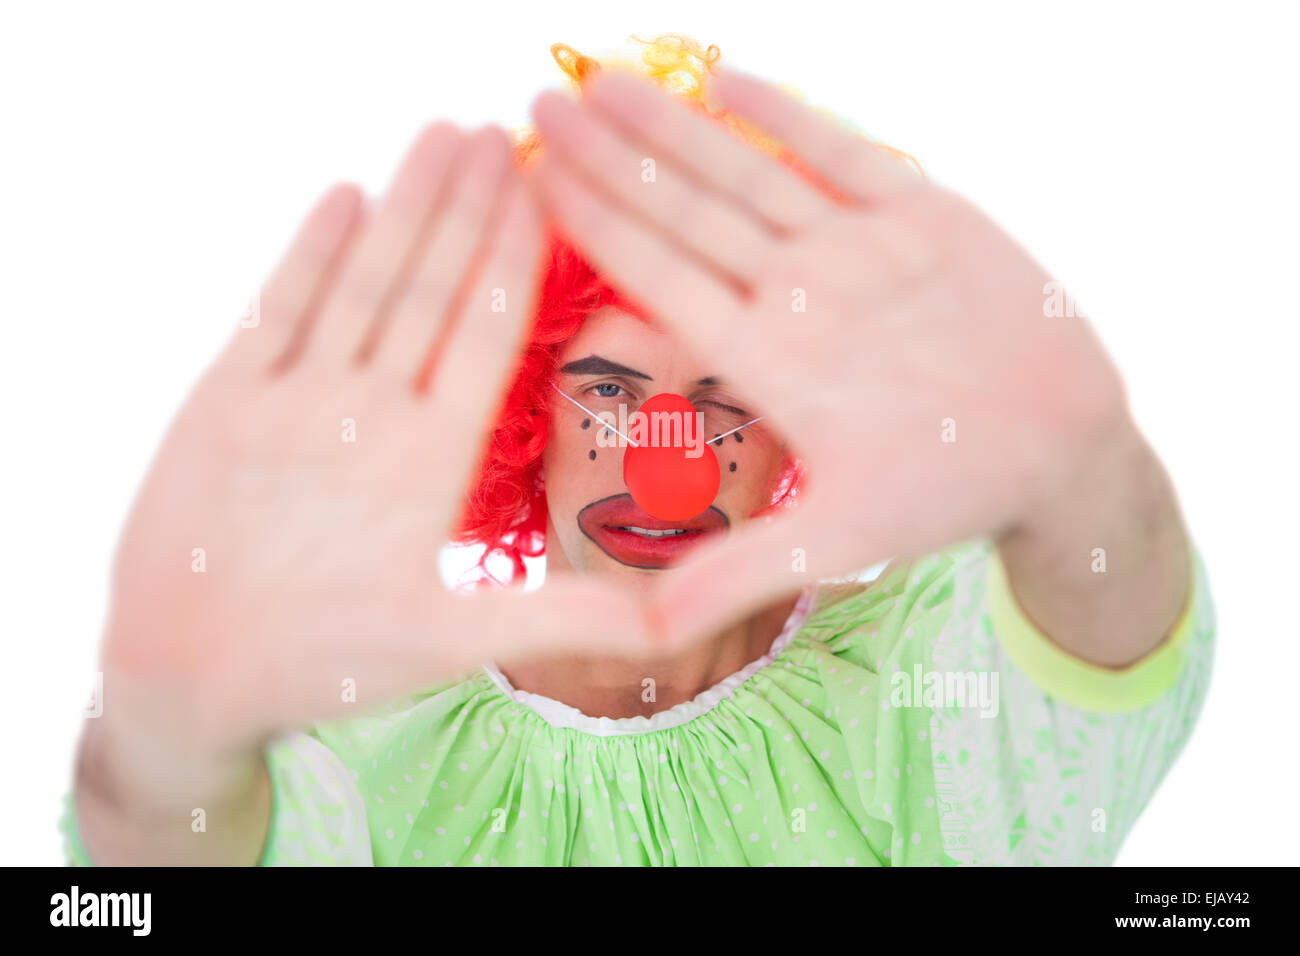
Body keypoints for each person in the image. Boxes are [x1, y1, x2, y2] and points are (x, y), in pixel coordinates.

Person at [61, 34, 1214, 866]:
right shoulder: (357, 712)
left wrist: (1084, 483)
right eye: (607, 390)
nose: (669, 455)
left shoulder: (908, 686)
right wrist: (158, 753)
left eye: (728, 402)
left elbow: (1080, 686)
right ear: (525, 416)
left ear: (797, 431)